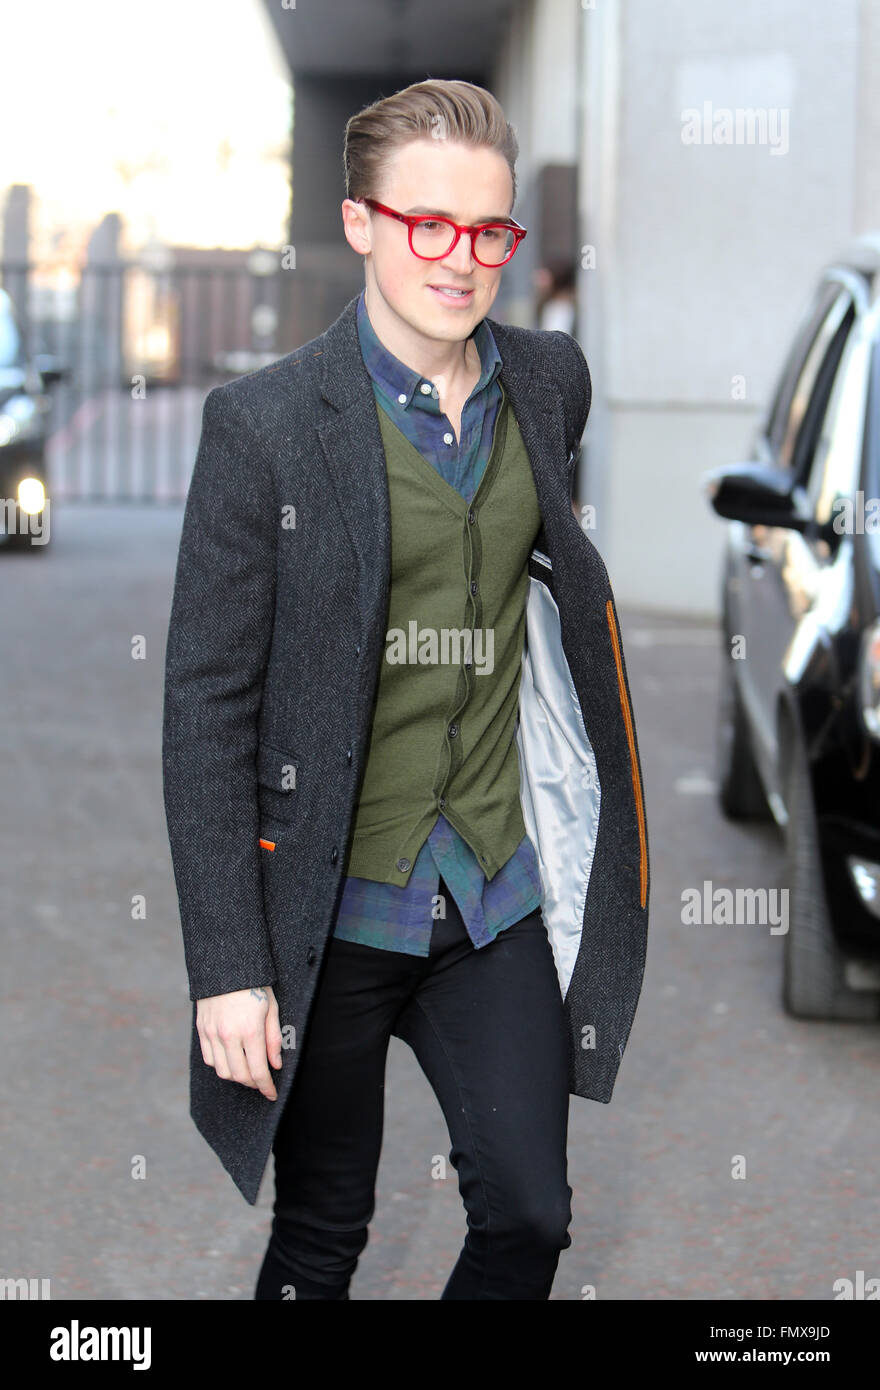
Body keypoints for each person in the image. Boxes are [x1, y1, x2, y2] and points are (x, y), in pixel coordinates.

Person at [162, 78, 650, 1301]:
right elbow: (204, 706)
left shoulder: (545, 385)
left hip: (488, 895)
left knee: (530, 1214)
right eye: (427, 223)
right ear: (363, 222)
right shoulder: (264, 427)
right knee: (324, 1233)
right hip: (326, 910)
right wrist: (227, 962)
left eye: (489, 230)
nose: (461, 258)